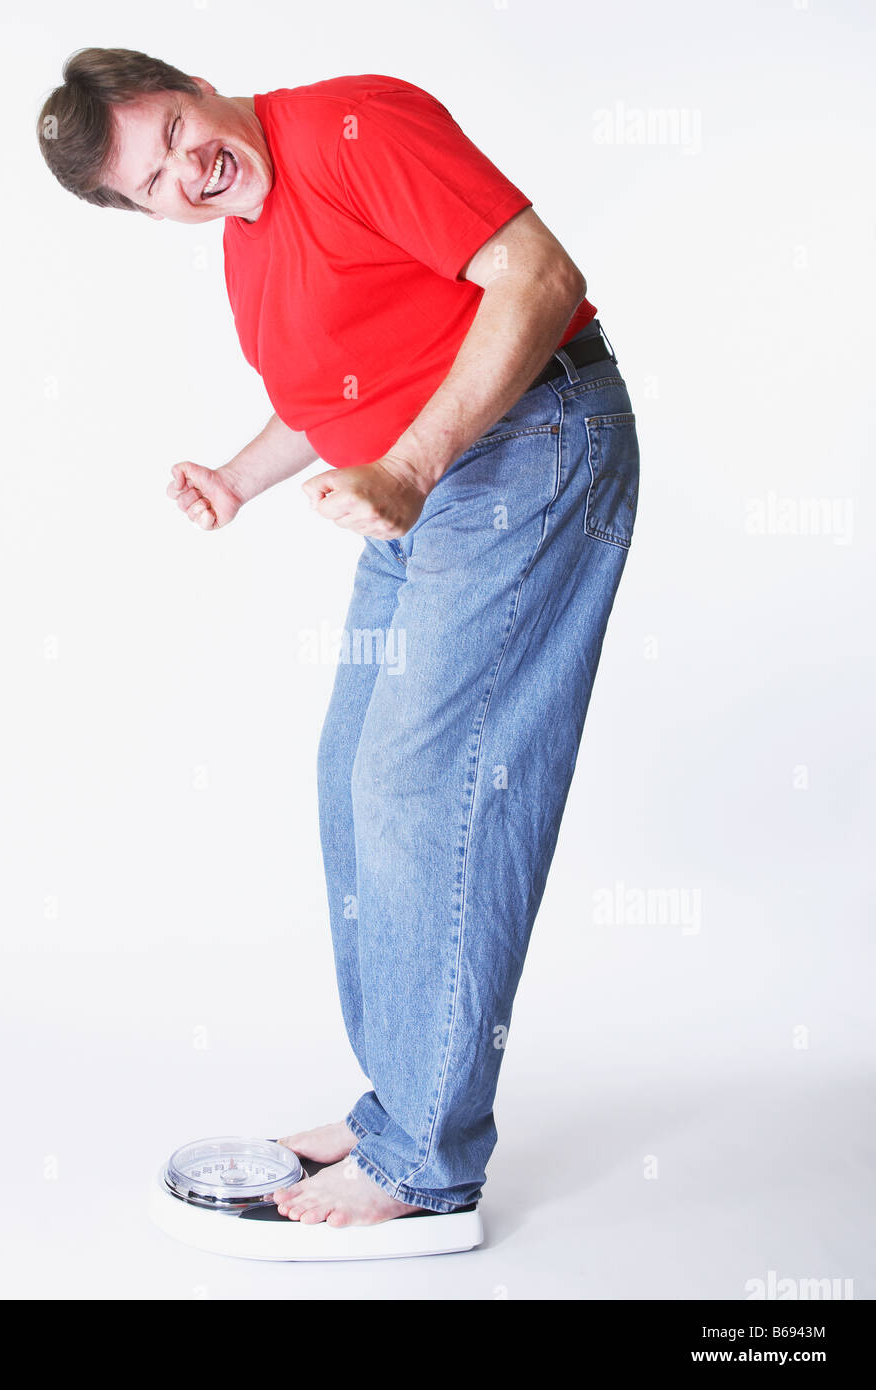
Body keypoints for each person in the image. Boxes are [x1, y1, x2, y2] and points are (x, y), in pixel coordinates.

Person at [37, 48, 639, 1227]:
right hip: (425, 479)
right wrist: (237, 477)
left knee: (419, 781)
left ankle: (424, 1162)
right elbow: (334, 394)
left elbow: (539, 273)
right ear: (142, 213)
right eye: (154, 181)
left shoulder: (351, 129)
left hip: (529, 438)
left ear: (193, 86)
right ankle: (396, 1106)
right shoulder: (246, 244)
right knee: (350, 774)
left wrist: (409, 466)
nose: (188, 170)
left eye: (176, 131)